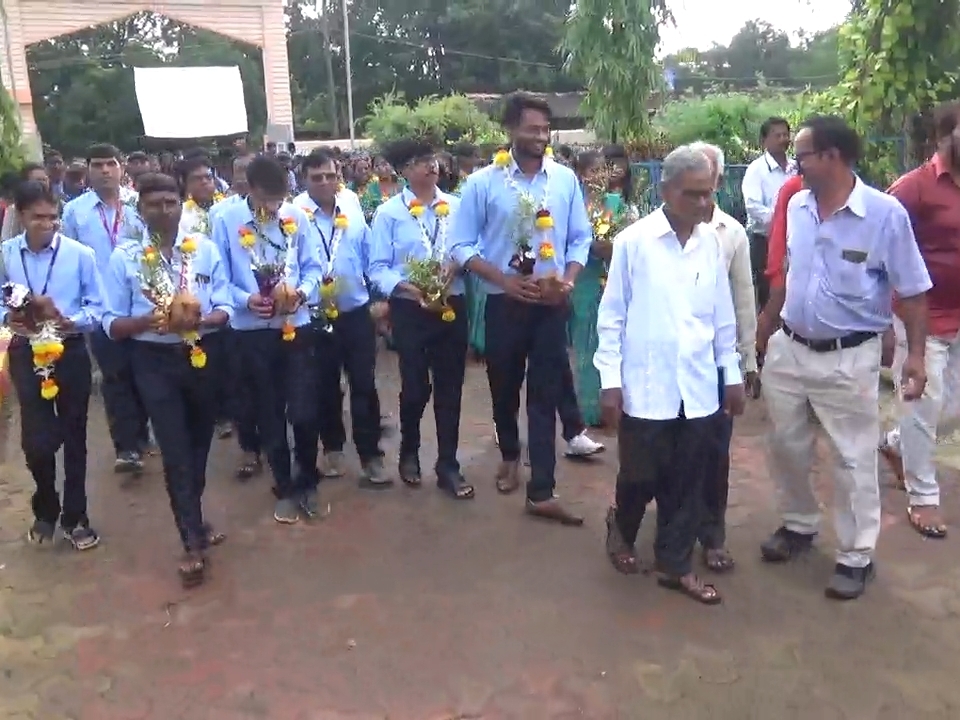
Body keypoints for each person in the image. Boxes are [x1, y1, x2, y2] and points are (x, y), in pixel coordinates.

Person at [757, 115, 932, 600]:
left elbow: (913, 291)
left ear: (832, 157)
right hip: (790, 349)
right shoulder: (795, 205)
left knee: (852, 459)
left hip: (849, 357)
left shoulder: (884, 215)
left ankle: (856, 556)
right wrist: (768, 326)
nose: (795, 163)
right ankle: (798, 524)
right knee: (786, 445)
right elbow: (789, 272)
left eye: (803, 154)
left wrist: (915, 354)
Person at [595, 145, 745, 605]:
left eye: (709, 194)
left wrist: (733, 373)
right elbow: (612, 316)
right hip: (647, 382)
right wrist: (610, 381)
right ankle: (621, 529)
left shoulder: (712, 245)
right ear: (667, 190)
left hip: (697, 385)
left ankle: (673, 563)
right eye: (694, 194)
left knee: (688, 479)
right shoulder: (634, 242)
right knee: (640, 474)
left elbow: (722, 317)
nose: (704, 204)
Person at [450, 92, 593, 524]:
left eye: (546, 130)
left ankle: (542, 488)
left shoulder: (565, 180)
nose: (541, 136)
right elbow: (459, 246)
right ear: (511, 130)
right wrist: (505, 282)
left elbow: (581, 237)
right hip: (503, 303)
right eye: (532, 128)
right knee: (504, 386)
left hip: (551, 304)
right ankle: (510, 453)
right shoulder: (483, 183)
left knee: (545, 392)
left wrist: (567, 280)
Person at [102, 172, 232, 587]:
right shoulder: (126, 258)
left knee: (198, 446)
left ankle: (193, 514)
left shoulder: (204, 250)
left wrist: (202, 318)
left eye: (171, 202)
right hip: (152, 359)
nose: (164, 210)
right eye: (154, 203)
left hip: (201, 354)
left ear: (181, 204)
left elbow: (226, 303)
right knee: (174, 448)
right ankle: (192, 539)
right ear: (140, 210)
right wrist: (151, 320)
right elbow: (110, 322)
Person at [211, 155, 323, 524]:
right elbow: (218, 277)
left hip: (296, 325)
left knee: (305, 409)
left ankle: (308, 479)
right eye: (267, 198)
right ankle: (284, 486)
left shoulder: (297, 217)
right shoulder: (226, 221)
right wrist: (247, 300)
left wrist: (302, 293)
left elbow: (313, 267)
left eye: (280, 198)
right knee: (268, 412)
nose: (274, 207)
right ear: (250, 188)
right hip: (251, 332)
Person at [1, 181, 105, 549]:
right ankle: (45, 505)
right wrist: (7, 318)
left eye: (53, 217)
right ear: (21, 215)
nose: (47, 224)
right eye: (38, 217)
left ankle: (76, 516)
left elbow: (98, 308)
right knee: (37, 441)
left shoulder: (80, 255)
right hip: (27, 351)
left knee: (75, 433)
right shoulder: (6, 254)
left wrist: (73, 320)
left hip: (70, 349)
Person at [369, 138, 472, 498]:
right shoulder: (389, 214)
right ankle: (409, 450)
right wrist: (409, 288)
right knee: (415, 386)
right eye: (419, 161)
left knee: (450, 386)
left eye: (432, 159)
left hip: (451, 305)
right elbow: (377, 268)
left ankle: (448, 465)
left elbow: (471, 249)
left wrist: (457, 265)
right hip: (410, 309)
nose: (431, 166)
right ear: (403, 171)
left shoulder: (458, 208)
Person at [877, 101, 960, 538]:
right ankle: (923, 497)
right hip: (921, 319)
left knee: (951, 410)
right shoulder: (913, 188)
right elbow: (880, 247)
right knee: (923, 405)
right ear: (943, 137)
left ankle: (894, 444)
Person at [293, 150, 387, 484]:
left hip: (355, 310)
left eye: (330, 176)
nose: (324, 183)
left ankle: (371, 455)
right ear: (304, 179)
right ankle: (332, 448)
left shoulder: (351, 204)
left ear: (339, 176)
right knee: (325, 387)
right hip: (315, 315)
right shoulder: (294, 214)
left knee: (364, 383)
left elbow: (366, 251)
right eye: (316, 177)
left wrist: (378, 298)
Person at [689, 141, 758, 572]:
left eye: (708, 185)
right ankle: (669, 522)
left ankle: (712, 533)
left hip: (717, 360)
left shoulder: (731, 233)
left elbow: (743, 297)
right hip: (672, 360)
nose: (701, 196)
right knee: (671, 447)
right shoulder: (650, 232)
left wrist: (747, 360)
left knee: (715, 450)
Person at [62, 143, 150, 474]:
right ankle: (126, 447)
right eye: (97, 164)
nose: (104, 170)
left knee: (142, 373)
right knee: (114, 377)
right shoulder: (75, 211)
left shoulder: (137, 205)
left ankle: (141, 434)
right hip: (101, 306)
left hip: (139, 303)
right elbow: (69, 257)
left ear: (122, 166)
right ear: (87, 170)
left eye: (110, 163)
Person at [741, 117, 795, 311]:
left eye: (785, 134)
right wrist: (781, 223)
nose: (783, 139)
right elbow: (753, 207)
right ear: (764, 141)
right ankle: (767, 338)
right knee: (769, 297)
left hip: (793, 241)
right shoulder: (756, 170)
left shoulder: (796, 169)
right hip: (765, 241)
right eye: (777, 135)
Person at [1, 163, 50, 242]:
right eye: (38, 180)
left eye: (44, 180)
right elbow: (7, 239)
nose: (42, 184)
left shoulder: (58, 206)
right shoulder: (15, 209)